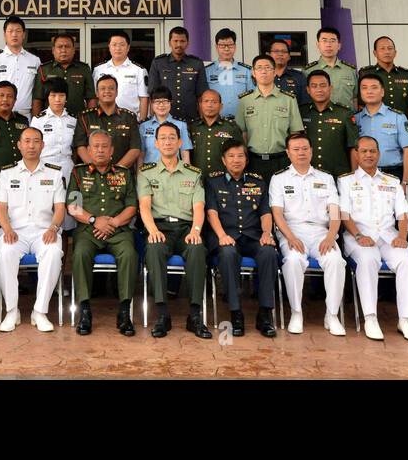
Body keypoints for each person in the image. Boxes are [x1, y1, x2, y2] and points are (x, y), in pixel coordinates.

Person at [337, 136, 408, 341]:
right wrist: (358, 235)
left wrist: (402, 236)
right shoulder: (345, 181)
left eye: (372, 151)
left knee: (407, 261)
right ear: (356, 154)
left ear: (379, 154)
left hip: (388, 234)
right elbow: (343, 214)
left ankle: (406, 319)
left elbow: (402, 214)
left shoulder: (392, 182)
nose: (368, 155)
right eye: (364, 151)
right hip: (358, 235)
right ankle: (370, 317)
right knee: (368, 259)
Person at [269, 133, 347, 337]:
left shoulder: (326, 178)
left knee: (336, 261)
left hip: (322, 231)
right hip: (292, 231)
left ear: (311, 150)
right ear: (288, 153)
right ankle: (296, 312)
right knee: (293, 261)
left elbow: (335, 211)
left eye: (304, 148)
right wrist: (291, 238)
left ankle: (332, 314)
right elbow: (277, 213)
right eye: (296, 149)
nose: (301, 152)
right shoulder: (278, 179)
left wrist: (331, 236)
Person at [138, 122, 211, 339]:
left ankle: (195, 315)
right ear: (156, 143)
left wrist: (196, 230)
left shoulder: (194, 173)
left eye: (172, 138)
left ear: (180, 142)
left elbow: (199, 207)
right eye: (163, 138)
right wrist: (152, 230)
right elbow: (144, 206)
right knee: (154, 249)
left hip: (187, 228)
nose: (168, 142)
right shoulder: (146, 173)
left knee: (198, 251)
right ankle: (162, 314)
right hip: (159, 227)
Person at [67, 130, 139, 336]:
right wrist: (93, 220)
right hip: (88, 230)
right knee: (80, 254)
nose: (100, 150)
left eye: (104, 146)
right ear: (88, 150)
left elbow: (132, 206)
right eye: (95, 147)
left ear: (112, 150)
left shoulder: (124, 173)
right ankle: (85, 310)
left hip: (119, 230)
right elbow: (72, 206)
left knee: (129, 254)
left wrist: (114, 222)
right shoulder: (78, 173)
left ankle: (125, 311)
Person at [206, 139, 279, 337]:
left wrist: (266, 233)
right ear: (223, 160)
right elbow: (211, 212)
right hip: (227, 236)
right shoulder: (213, 182)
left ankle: (264, 314)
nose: (236, 160)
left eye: (240, 156)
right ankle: (235, 313)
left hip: (253, 236)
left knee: (269, 253)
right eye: (231, 156)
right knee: (228, 254)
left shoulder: (258, 181)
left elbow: (265, 213)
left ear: (246, 160)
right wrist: (221, 235)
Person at [0, 127, 66, 332]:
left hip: (45, 230)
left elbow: (60, 208)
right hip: (15, 231)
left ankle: (40, 311)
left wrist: (53, 228)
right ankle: (11, 310)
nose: (31, 145)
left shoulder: (54, 172)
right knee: (5, 253)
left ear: (43, 145)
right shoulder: (7, 173)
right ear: (19, 145)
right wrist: (7, 228)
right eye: (27, 141)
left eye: (36, 141)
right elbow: (1, 208)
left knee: (53, 253)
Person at [236, 54, 303, 181]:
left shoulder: (288, 99)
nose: (263, 71)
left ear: (274, 72)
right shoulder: (245, 100)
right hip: (253, 161)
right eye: (259, 68)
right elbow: (242, 134)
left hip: (282, 160)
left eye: (267, 67)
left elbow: (295, 133)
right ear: (253, 73)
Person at [353, 72, 408, 183]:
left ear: (382, 92)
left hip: (393, 174)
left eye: (374, 87)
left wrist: (406, 181)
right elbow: (353, 151)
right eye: (364, 88)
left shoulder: (398, 117)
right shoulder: (355, 119)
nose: (369, 91)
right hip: (363, 176)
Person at [299, 69, 359, 177]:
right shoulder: (301, 112)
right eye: (314, 86)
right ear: (308, 90)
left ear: (330, 88)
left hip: (338, 175)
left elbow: (353, 147)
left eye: (323, 85)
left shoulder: (344, 113)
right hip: (308, 175)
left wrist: (354, 176)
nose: (319, 90)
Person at [74, 74, 141, 169]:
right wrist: (97, 171)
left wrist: (116, 170)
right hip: (92, 176)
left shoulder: (129, 117)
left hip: (121, 176)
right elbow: (80, 147)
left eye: (111, 88)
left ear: (117, 92)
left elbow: (135, 148)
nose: (107, 91)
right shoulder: (85, 117)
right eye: (103, 88)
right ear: (97, 93)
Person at [0, 17, 42, 116]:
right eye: (10, 31)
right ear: (4, 35)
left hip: (25, 116)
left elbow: (37, 92)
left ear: (24, 34)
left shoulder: (34, 60)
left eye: (18, 31)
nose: (14, 34)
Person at [148, 26, 207, 122]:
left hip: (191, 119)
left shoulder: (196, 63)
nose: (179, 44)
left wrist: (202, 120)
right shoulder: (158, 63)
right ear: (169, 42)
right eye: (175, 41)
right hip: (165, 119)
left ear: (187, 43)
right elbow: (153, 94)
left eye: (182, 41)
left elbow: (201, 95)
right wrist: (153, 120)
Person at [30, 30, 95, 118]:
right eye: (60, 47)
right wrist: (36, 121)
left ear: (74, 50)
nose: (63, 50)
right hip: (50, 121)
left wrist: (91, 120)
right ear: (53, 50)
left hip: (78, 120)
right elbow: (37, 99)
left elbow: (90, 98)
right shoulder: (44, 70)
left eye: (67, 46)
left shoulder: (83, 69)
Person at [92, 30, 149, 119]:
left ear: (128, 47)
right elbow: (95, 97)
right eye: (114, 45)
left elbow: (144, 98)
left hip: (130, 121)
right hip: (103, 120)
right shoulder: (98, 69)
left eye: (122, 45)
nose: (118, 48)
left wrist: (142, 121)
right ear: (109, 47)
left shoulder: (139, 70)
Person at [30, 78, 78, 180]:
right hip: (45, 166)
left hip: (67, 167)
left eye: (61, 95)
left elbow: (76, 147)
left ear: (66, 97)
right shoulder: (38, 120)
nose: (57, 99)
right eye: (53, 95)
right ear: (47, 97)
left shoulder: (73, 120)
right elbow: (32, 147)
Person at [187, 89, 241, 177]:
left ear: (221, 106)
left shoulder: (231, 127)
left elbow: (240, 154)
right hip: (196, 178)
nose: (209, 105)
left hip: (222, 181)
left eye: (214, 102)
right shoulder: (192, 127)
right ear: (200, 105)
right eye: (206, 101)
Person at [204, 28, 253, 120]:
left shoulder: (247, 71)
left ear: (235, 46)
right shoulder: (207, 71)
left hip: (240, 122)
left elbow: (252, 98)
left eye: (230, 45)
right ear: (216, 47)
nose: (226, 49)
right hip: (214, 122)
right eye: (222, 45)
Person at [138, 86, 194, 166]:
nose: (161, 105)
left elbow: (185, 154)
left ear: (171, 102)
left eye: (165, 101)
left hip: (173, 171)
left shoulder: (181, 125)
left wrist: (186, 176)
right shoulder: (144, 126)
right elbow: (141, 155)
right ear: (151, 104)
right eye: (157, 101)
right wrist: (139, 176)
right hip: (149, 172)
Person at [358, 36, 408, 114]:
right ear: (375, 53)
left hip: (403, 122)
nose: (387, 52)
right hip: (375, 122)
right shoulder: (365, 73)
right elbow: (360, 104)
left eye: (390, 48)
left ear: (395, 52)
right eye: (382, 48)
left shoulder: (407, 75)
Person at [303, 27, 357, 109]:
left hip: (346, 118)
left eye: (332, 41)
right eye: (324, 41)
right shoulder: (308, 71)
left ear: (339, 46)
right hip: (319, 118)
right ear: (318, 45)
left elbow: (355, 98)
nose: (328, 45)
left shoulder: (350, 70)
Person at [269, 38, 310, 105]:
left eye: (284, 51)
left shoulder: (299, 77)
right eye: (276, 51)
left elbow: (305, 105)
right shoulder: (263, 76)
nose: (280, 54)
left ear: (289, 56)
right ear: (269, 55)